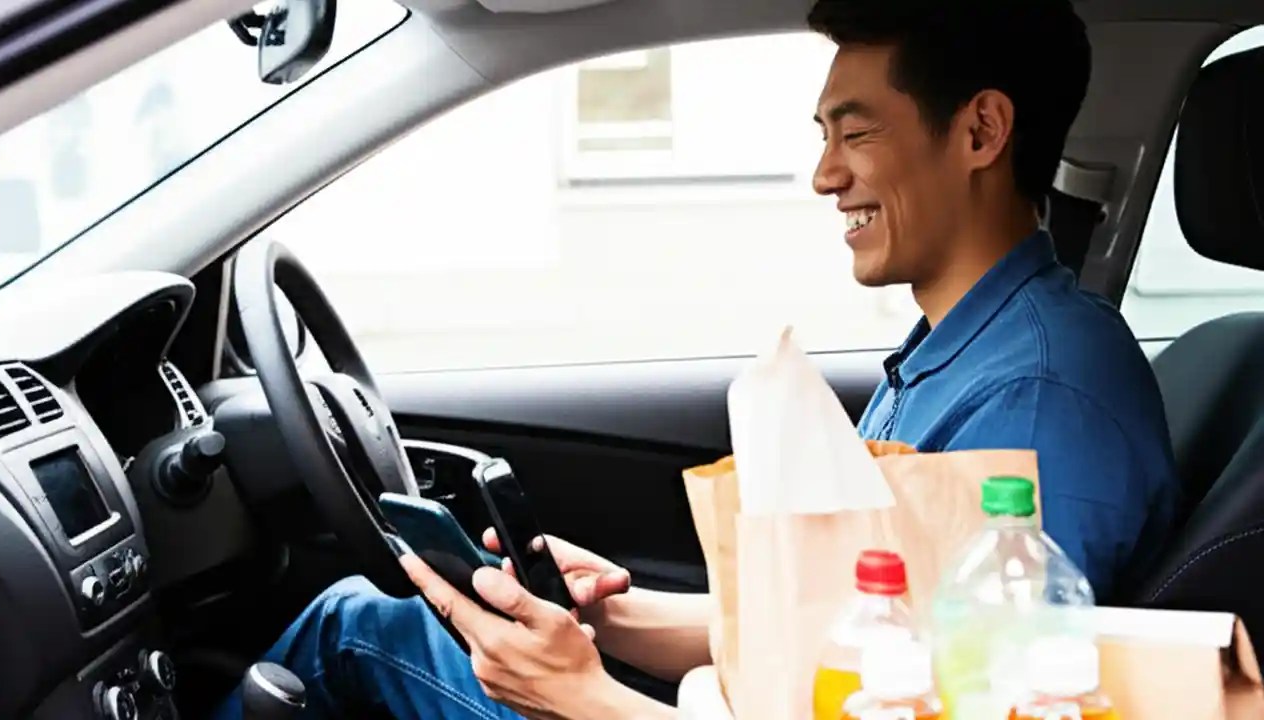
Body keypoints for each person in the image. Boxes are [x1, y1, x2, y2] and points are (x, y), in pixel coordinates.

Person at [214, 0, 1180, 717]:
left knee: (353, 629)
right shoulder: (962, 354)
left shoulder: (1043, 399)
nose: (825, 172)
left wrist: (587, 696)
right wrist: (609, 622)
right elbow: (852, 628)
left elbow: (961, 702)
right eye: (824, 136)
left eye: (856, 131)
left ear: (980, 131)